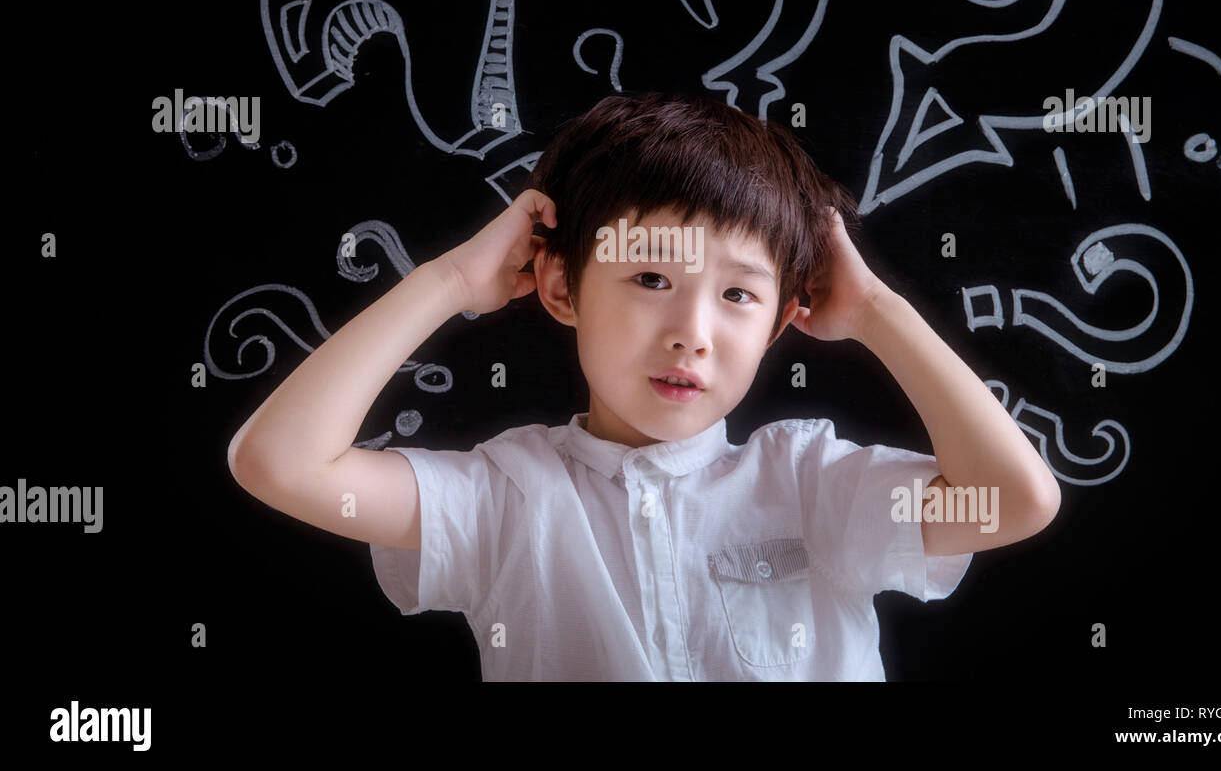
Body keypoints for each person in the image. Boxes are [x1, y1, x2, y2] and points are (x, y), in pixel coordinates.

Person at [227, 90, 1061, 680]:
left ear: (779, 324)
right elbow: (278, 462)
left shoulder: (814, 485)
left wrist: (877, 309)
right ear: (560, 289)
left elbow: (1015, 500)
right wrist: (448, 282)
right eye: (650, 278)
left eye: (737, 294)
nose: (691, 333)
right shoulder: (504, 499)